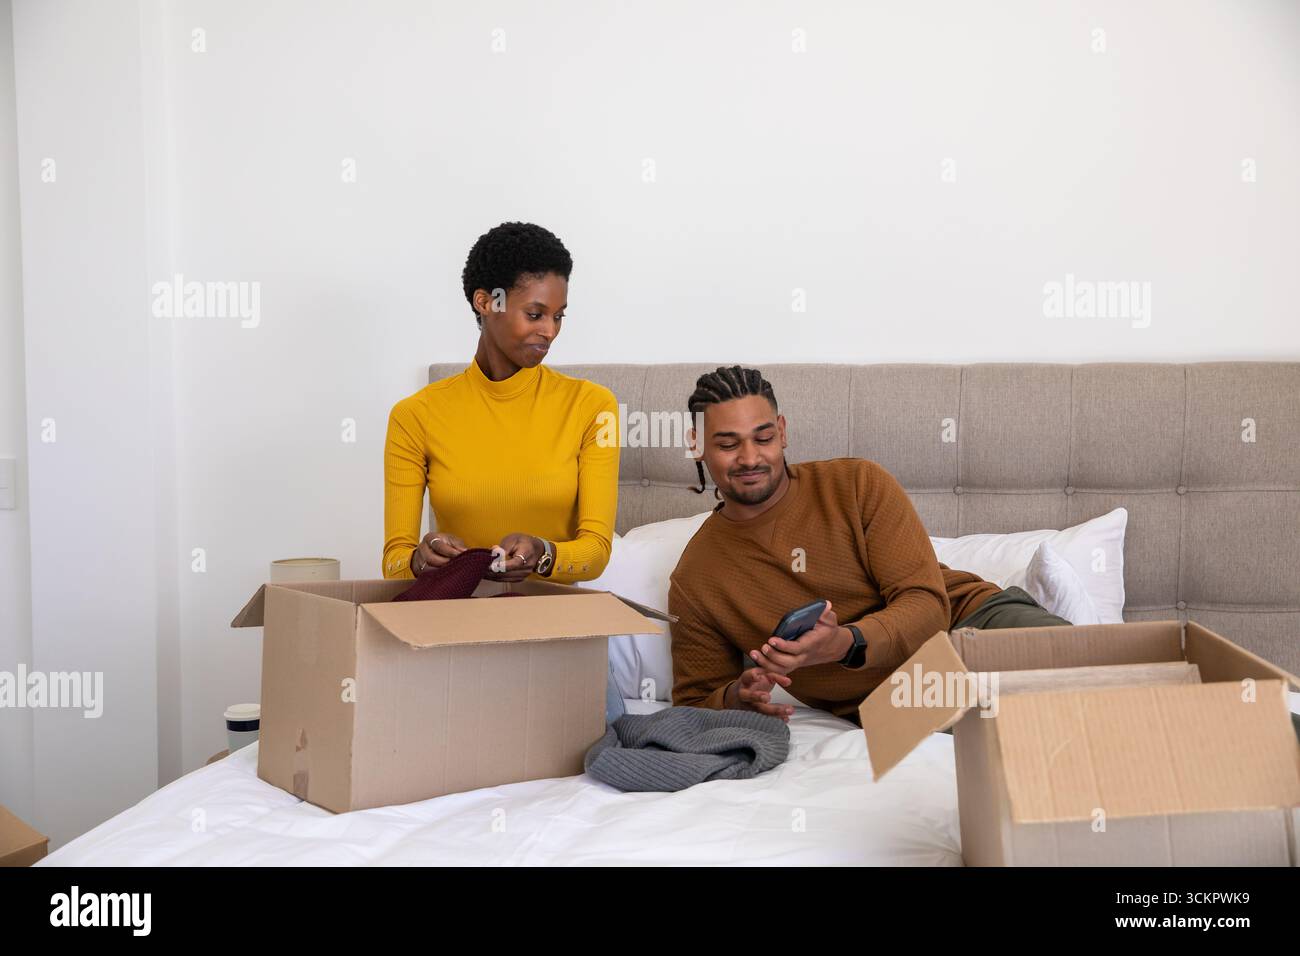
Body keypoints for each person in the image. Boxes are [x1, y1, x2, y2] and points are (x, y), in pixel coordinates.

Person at [669, 365, 1068, 724]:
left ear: (783, 432)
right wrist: (737, 696)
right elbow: (694, 703)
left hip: (970, 624)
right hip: (893, 699)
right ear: (697, 444)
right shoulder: (696, 578)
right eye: (727, 444)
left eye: (764, 437)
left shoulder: (857, 484)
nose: (750, 457)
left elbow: (928, 606)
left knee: (1104, 681)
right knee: (1021, 731)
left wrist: (844, 642)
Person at [382, 222, 619, 585]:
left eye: (559, 316)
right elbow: (393, 563)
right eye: (535, 314)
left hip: (557, 619)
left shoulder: (592, 406)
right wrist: (420, 560)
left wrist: (545, 553)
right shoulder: (414, 416)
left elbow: (596, 552)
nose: (551, 331)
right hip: (461, 615)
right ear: (486, 302)